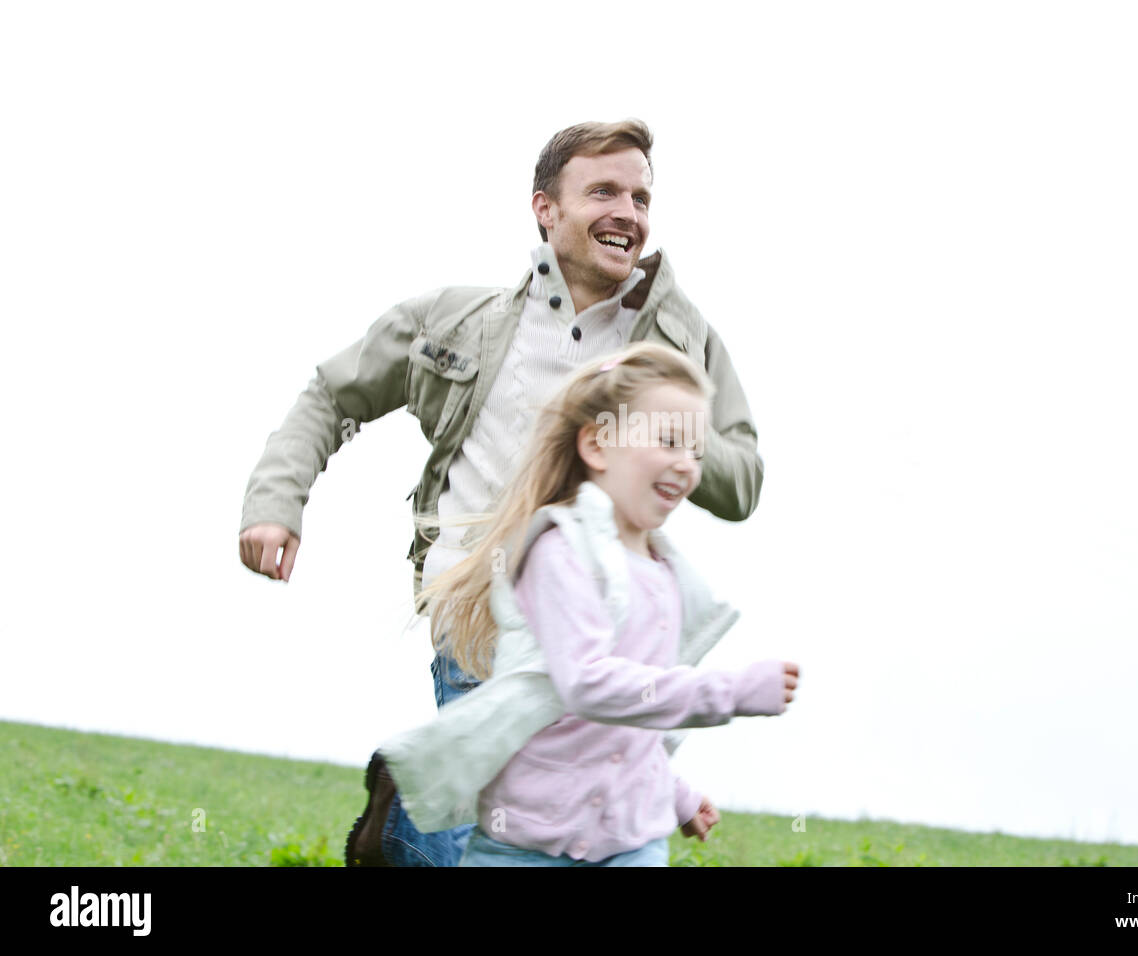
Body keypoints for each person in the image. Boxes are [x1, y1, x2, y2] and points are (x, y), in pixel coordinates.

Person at [238, 119, 764, 866]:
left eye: (642, 197)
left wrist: (664, 430)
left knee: (575, 830)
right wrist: (274, 503)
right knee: (494, 837)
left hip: (606, 640)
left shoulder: (678, 348)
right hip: (482, 617)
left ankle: (410, 807)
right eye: (604, 191)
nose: (629, 213)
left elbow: (743, 480)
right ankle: (423, 811)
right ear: (545, 209)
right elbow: (332, 395)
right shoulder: (459, 322)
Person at [380, 343, 799, 866]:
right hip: (527, 841)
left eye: (696, 451)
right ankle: (395, 827)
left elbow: (631, 717)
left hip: (630, 842)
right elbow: (588, 685)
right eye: (669, 441)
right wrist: (728, 692)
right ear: (598, 446)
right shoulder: (561, 552)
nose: (686, 465)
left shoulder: (665, 575)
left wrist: (673, 793)